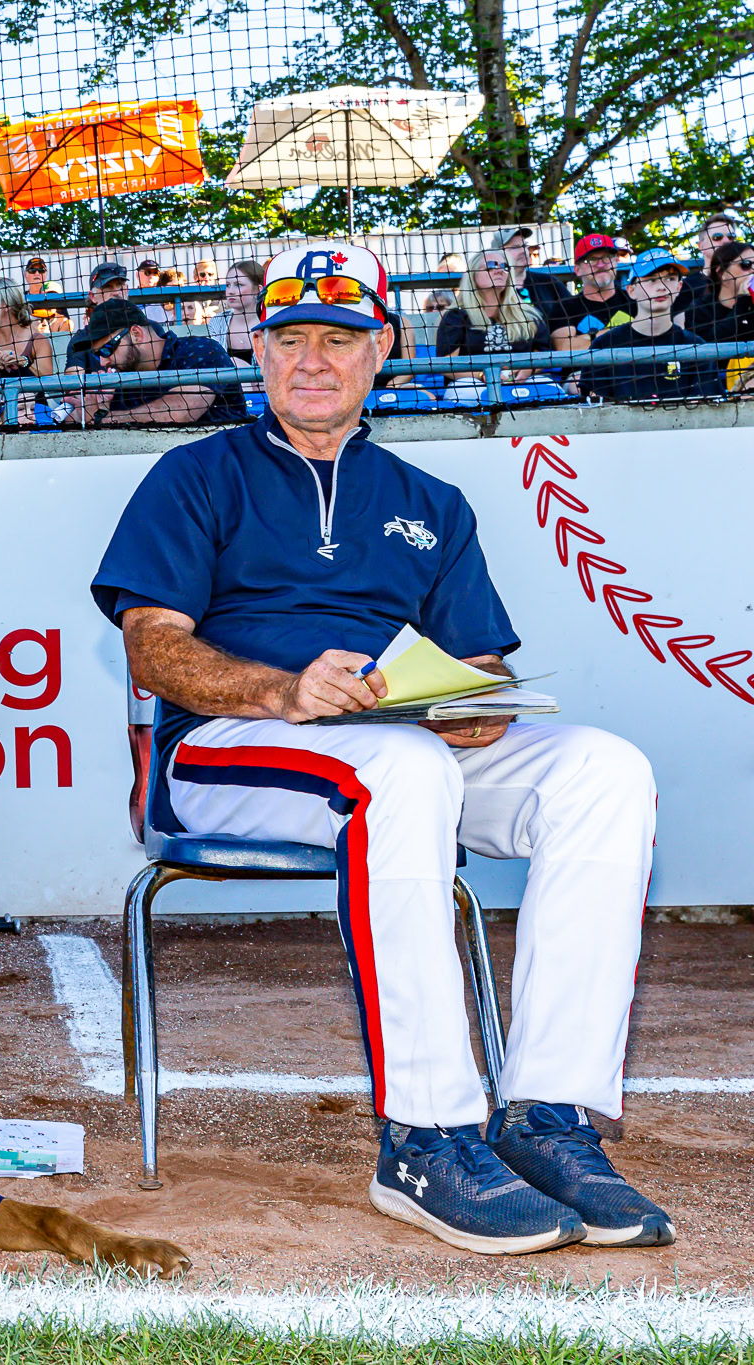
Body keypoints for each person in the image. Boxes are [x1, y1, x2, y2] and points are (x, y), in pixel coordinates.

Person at [91, 238, 670, 1258]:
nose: (312, 360)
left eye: (339, 340)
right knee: (395, 772)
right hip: (228, 751)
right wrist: (279, 689)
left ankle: (544, 1116)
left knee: (601, 770)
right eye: (289, 340)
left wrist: (472, 705)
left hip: (399, 741)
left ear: (381, 351)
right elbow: (152, 652)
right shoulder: (193, 476)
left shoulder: (428, 503)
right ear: (255, 349)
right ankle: (424, 1133)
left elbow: (478, 663)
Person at [59, 298, 242, 427]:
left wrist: (102, 419)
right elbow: (71, 422)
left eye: (107, 349)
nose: (103, 361)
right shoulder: (121, 376)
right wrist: (94, 410)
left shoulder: (201, 350)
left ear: (136, 334)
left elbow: (179, 412)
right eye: (97, 354)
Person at [582, 249, 723, 402]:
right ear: (631, 290)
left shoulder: (696, 347)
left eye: (670, 278)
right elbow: (595, 410)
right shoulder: (604, 345)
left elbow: (705, 409)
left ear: (679, 287)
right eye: (651, 279)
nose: (662, 286)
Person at [437, 248, 552, 388]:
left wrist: (528, 369)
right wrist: (483, 375)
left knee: (549, 388)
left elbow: (542, 353)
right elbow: (446, 364)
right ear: (473, 275)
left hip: (521, 382)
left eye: (505, 267)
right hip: (473, 384)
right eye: (491, 265)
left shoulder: (528, 314)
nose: (499, 270)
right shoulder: (456, 316)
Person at [0, 277, 54, 427]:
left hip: (32, 418)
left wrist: (24, 362)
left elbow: (49, 380)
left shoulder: (38, 340)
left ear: (5, 304)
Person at [549, 234, 634, 351]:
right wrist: (621, 333)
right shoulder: (564, 307)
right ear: (577, 270)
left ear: (615, 262)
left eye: (607, 257)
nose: (600, 265)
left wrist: (588, 338)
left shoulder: (635, 300)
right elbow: (566, 348)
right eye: (591, 260)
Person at [675, 240, 754, 347]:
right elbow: (706, 344)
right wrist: (742, 301)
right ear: (721, 272)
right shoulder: (699, 309)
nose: (752, 270)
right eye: (746, 264)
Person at [492, 227, 566, 320]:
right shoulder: (491, 288)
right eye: (515, 247)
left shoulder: (549, 282)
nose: (523, 251)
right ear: (497, 254)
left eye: (525, 245)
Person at [210, 259, 266, 361]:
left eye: (238, 285)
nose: (230, 291)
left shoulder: (270, 322)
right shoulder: (217, 322)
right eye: (228, 285)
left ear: (259, 289)